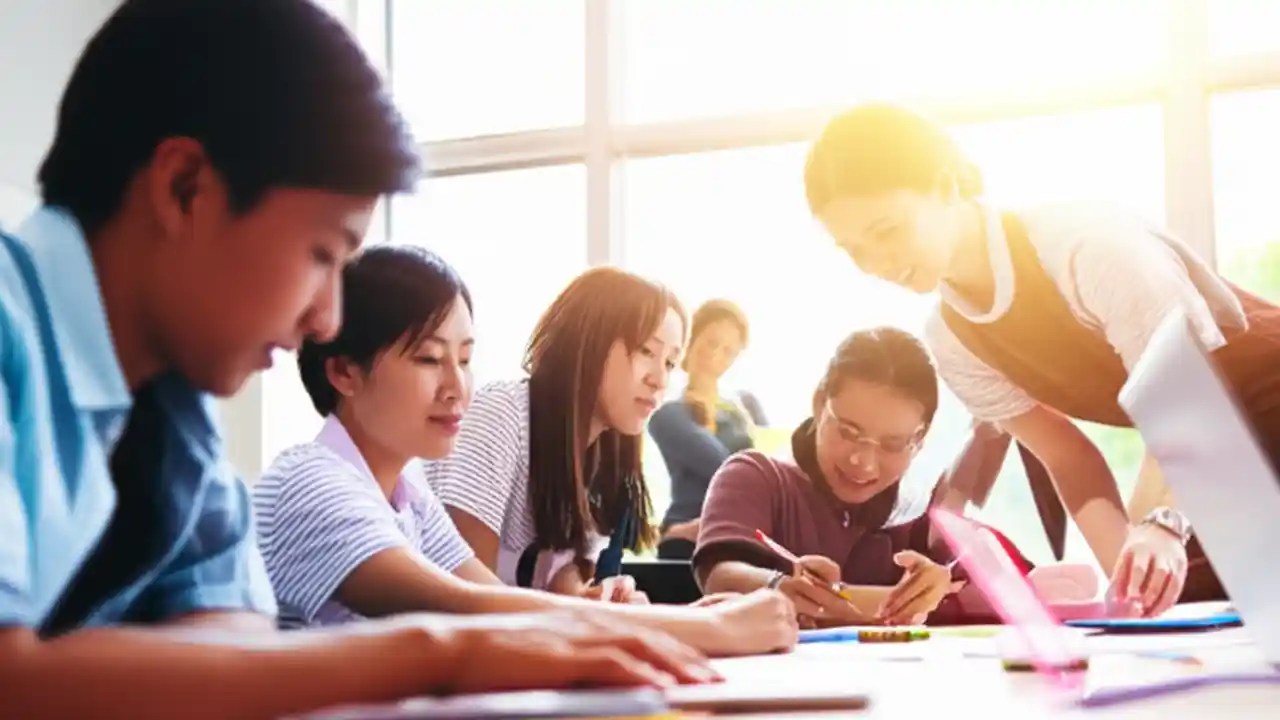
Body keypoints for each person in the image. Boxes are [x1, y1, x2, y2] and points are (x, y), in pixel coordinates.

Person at [0, 2, 716, 717]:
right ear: (185, 188)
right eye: (322, 254)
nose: (328, 319)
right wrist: (440, 654)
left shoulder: (174, 417)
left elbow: (231, 660)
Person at [804, 103, 1280, 617]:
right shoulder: (952, 341)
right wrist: (1127, 578)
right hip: (1218, 461)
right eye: (852, 249)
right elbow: (1068, 459)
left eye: (886, 230)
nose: (875, 263)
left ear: (943, 187)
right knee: (1194, 615)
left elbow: (1187, 398)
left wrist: (1161, 523)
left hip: (1243, 415)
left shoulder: (1088, 249)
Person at [254, 245, 797, 657]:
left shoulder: (408, 494)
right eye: (428, 359)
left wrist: (678, 621)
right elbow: (470, 609)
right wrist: (701, 628)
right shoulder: (310, 479)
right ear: (344, 371)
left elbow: (491, 601)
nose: (456, 386)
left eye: (464, 359)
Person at [694, 328, 1002, 627]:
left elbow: (993, 566)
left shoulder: (913, 509)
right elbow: (720, 575)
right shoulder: (755, 476)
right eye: (848, 432)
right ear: (819, 403)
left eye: (893, 444)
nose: (864, 463)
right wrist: (777, 586)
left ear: (920, 440)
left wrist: (942, 579)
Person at [430, 267, 686, 597]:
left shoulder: (609, 464)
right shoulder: (503, 413)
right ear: (588, 339)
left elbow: (565, 591)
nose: (660, 380)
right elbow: (463, 597)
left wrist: (599, 602)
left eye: (670, 363)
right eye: (647, 351)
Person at [649, 299, 766, 560]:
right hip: (687, 536)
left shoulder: (744, 408)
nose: (717, 357)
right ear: (690, 342)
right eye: (711, 343)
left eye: (729, 351)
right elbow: (725, 468)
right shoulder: (668, 415)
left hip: (737, 531)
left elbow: (771, 469)